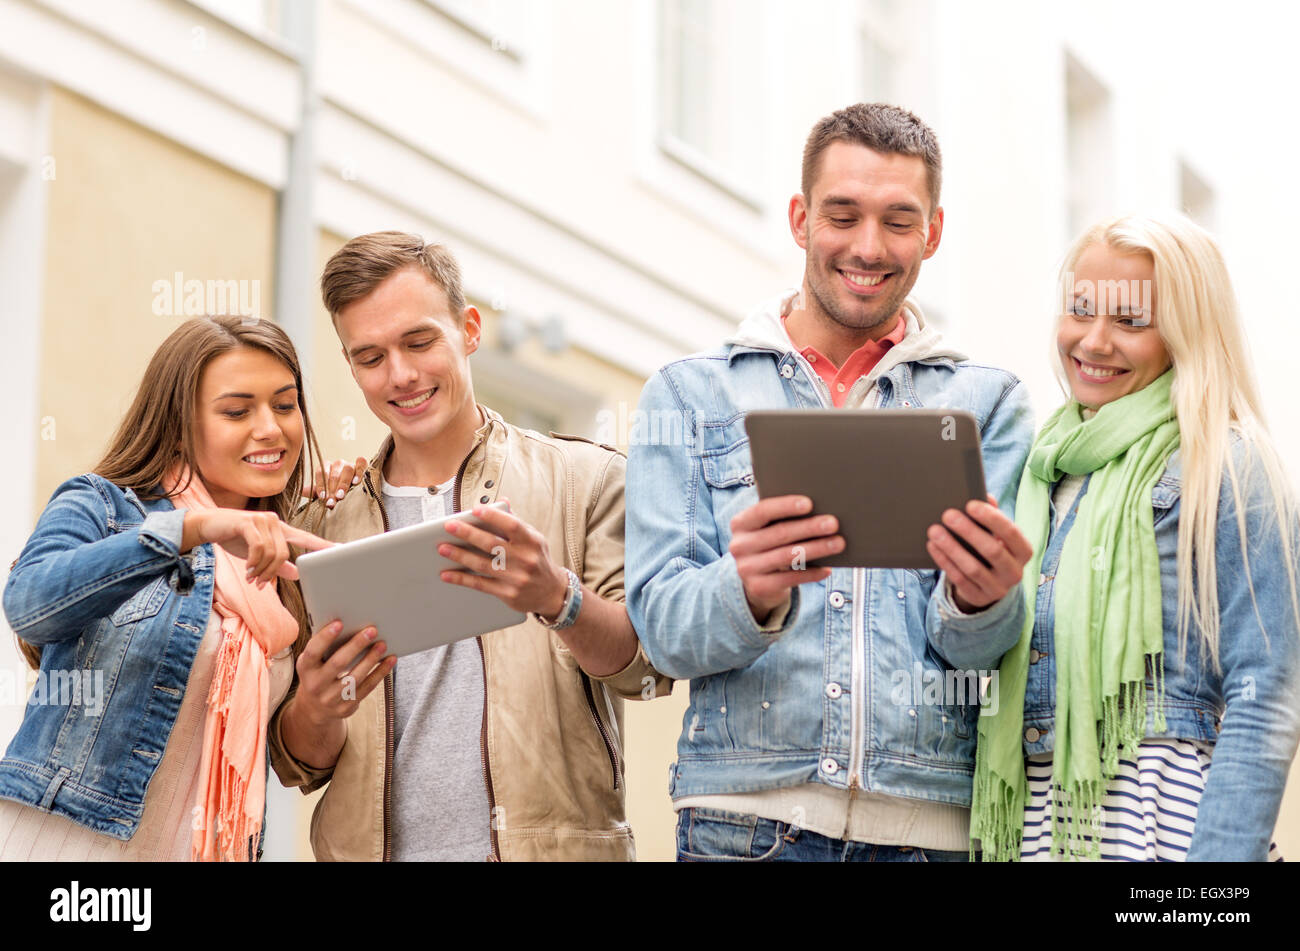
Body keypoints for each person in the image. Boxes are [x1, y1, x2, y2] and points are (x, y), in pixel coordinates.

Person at [625, 102, 1037, 861]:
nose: (868, 246)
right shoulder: (689, 394)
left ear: (934, 233)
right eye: (842, 214)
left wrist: (983, 600)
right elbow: (659, 629)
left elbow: (986, 650)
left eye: (899, 220)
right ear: (800, 218)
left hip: (927, 833)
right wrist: (746, 588)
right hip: (741, 825)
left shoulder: (989, 403)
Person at [268, 231, 670, 862]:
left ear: (471, 329)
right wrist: (319, 708)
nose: (400, 375)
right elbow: (298, 766)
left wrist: (556, 597)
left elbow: (643, 669)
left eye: (420, 341)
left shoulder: (587, 481)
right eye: (369, 357)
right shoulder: (319, 524)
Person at [971, 211, 1300, 862]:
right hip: (1034, 831)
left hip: (1161, 834)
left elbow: (1265, 694)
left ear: (1184, 333)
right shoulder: (1040, 470)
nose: (1093, 342)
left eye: (1130, 321)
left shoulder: (1228, 462)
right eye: (1080, 310)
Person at [0, 316, 332, 861]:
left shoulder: (288, 561)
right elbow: (31, 606)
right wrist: (191, 530)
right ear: (180, 425)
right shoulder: (103, 507)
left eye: (285, 404)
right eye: (236, 410)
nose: (271, 428)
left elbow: (298, 761)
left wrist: (325, 697)